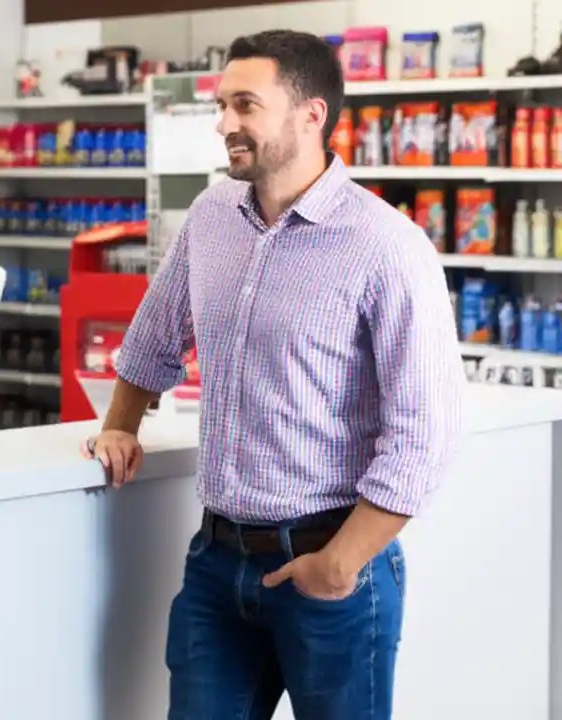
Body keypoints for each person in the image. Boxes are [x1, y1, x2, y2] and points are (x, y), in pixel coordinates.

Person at [84, 30, 463, 718]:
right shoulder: (211, 216)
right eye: (223, 106)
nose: (226, 123)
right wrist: (119, 425)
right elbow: (152, 340)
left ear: (310, 115)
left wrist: (341, 563)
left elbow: (423, 438)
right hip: (216, 564)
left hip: (331, 572)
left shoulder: (387, 247)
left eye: (246, 105)